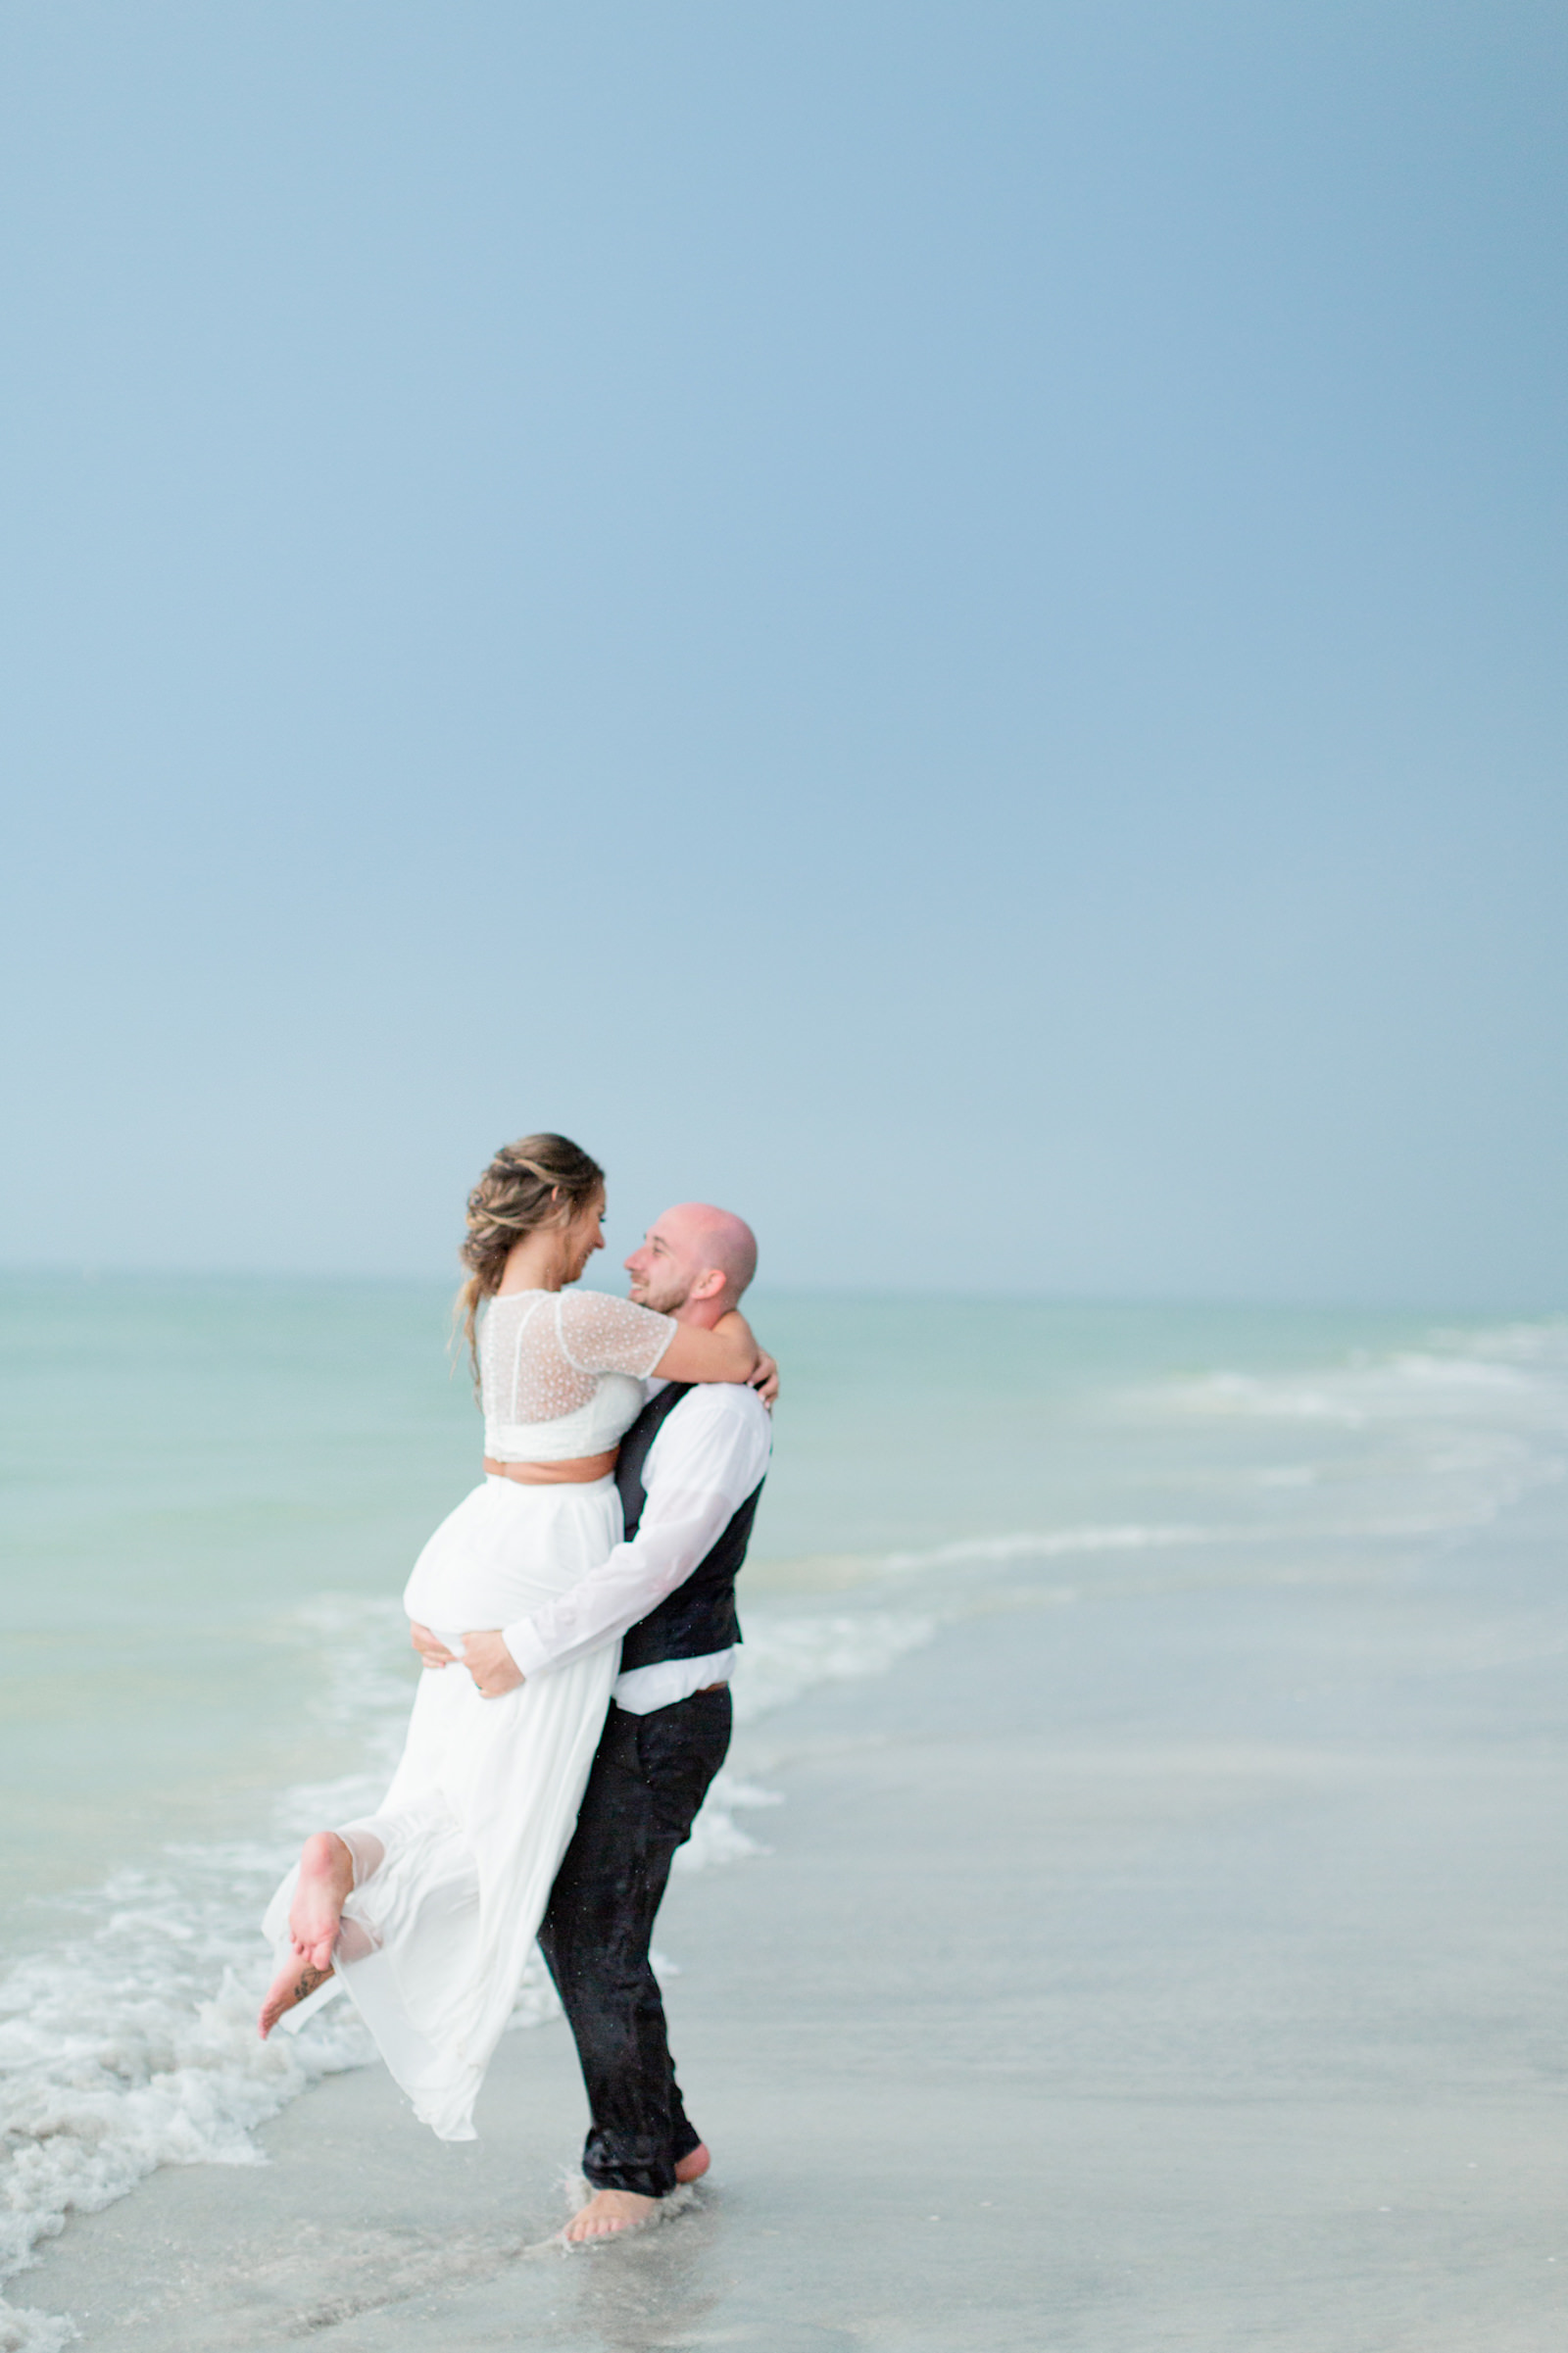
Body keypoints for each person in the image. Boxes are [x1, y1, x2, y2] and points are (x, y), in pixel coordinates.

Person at [256, 1135, 768, 2152]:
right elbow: (729, 1354)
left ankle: (353, 1878)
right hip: (536, 1568)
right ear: (558, 1214)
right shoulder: (584, 1317)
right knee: (513, 1815)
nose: (611, 1243)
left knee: (462, 1788)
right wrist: (747, 1336)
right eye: (600, 1218)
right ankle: (356, 1896)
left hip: (480, 1546)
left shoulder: (504, 1312)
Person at [412, 1201, 771, 2240]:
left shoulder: (722, 1416)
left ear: (705, 1282)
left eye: (655, 1245)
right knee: (581, 1924)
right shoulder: (679, 1375)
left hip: (666, 1716)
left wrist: (517, 1648)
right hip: (615, 1704)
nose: (630, 1253)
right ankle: (667, 2133)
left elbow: (652, 1564)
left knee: (592, 1931)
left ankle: (633, 2169)